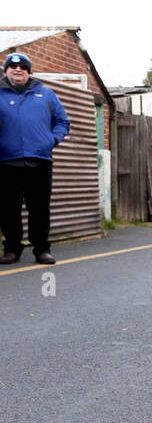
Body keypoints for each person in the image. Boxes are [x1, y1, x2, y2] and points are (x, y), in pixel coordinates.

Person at [1, 53, 69, 265]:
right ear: (6, 71)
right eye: (13, 67)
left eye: (23, 66)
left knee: (39, 208)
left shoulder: (46, 94)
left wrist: (52, 139)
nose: (18, 69)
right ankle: (12, 249)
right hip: (6, 162)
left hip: (40, 161)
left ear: (29, 71)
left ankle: (42, 249)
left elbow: (62, 121)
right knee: (8, 208)